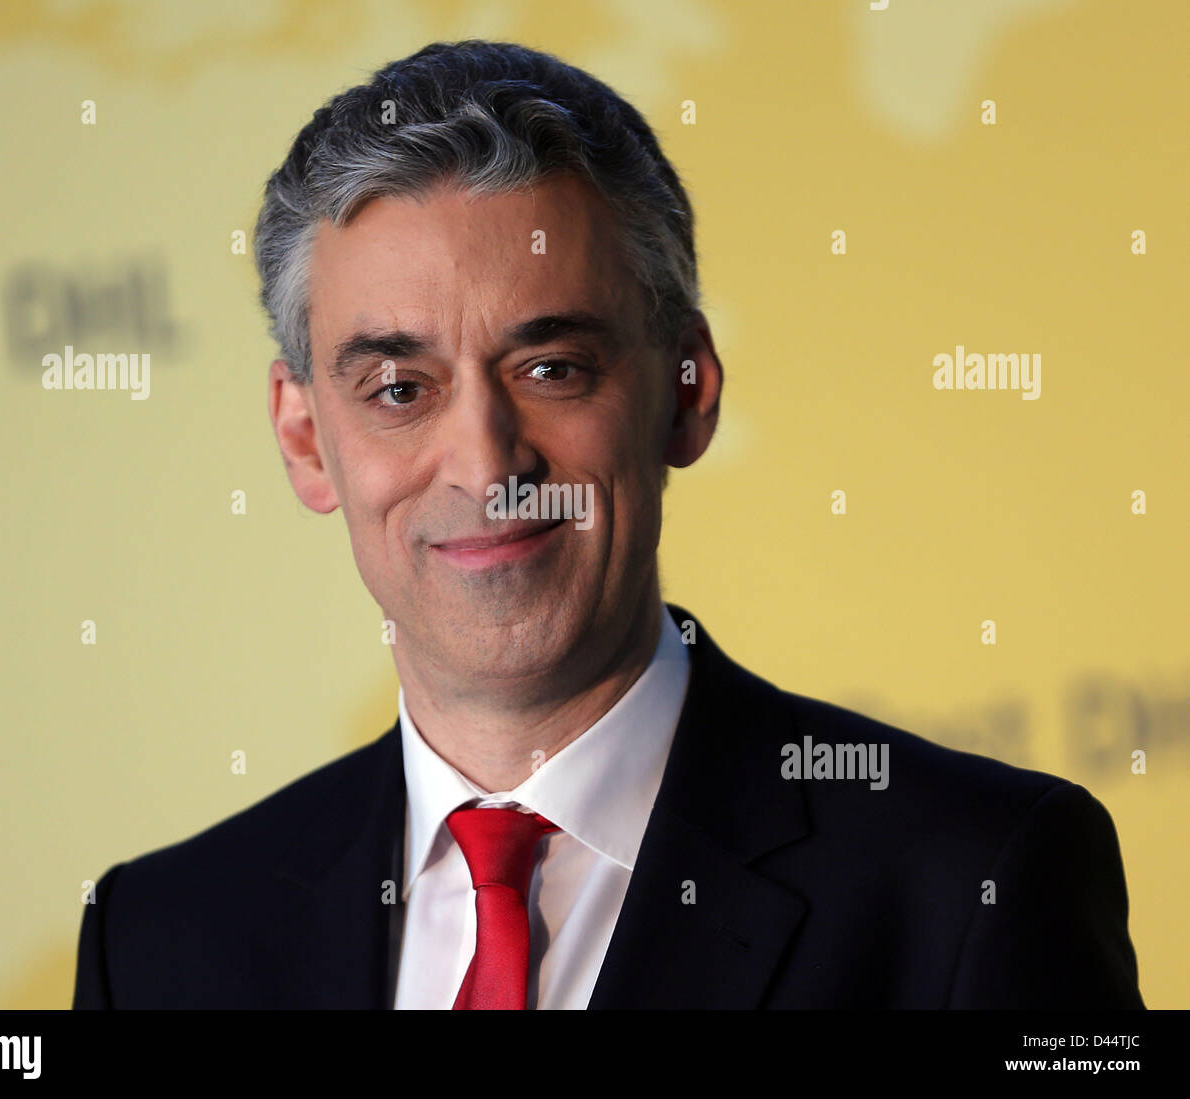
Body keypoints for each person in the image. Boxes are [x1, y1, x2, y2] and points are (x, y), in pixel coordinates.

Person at [72, 39, 1142, 1010]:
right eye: (399, 387)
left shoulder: (977, 882)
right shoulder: (162, 940)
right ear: (307, 440)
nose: (488, 463)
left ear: (685, 390)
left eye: (552, 369)